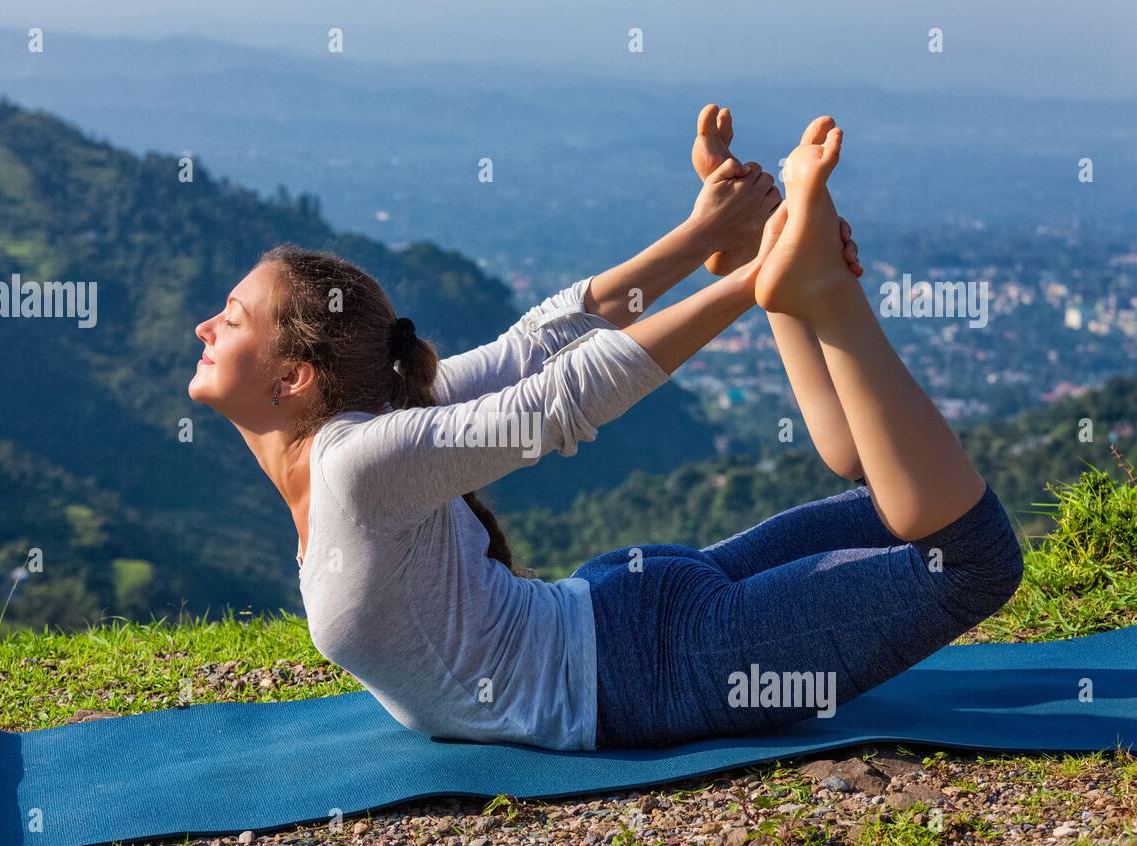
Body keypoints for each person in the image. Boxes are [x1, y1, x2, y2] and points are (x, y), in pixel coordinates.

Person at [188, 107, 1023, 751]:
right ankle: (792, 284)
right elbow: (542, 351)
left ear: (294, 377)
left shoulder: (356, 463)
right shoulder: (378, 438)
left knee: (973, 560)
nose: (205, 329)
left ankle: (814, 293)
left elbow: (554, 390)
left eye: (229, 319)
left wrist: (738, 278)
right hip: (626, 619)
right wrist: (715, 245)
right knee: (902, 502)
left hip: (651, 666)